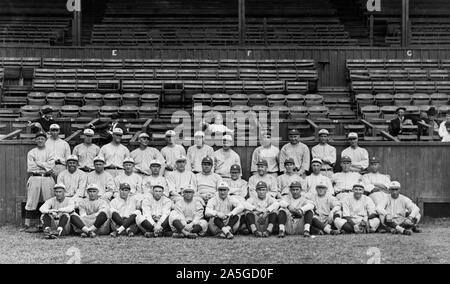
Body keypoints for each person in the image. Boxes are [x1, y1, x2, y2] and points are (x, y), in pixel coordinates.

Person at [24, 131, 55, 233]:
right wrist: (44, 166)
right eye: (38, 138)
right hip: (35, 177)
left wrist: (38, 163)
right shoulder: (31, 152)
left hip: (47, 177)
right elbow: (31, 168)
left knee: (49, 200)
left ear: (45, 140)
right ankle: (27, 225)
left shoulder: (50, 151)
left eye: (42, 138)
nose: (40, 140)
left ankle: (48, 224)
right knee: (31, 200)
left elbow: (51, 167)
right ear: (35, 140)